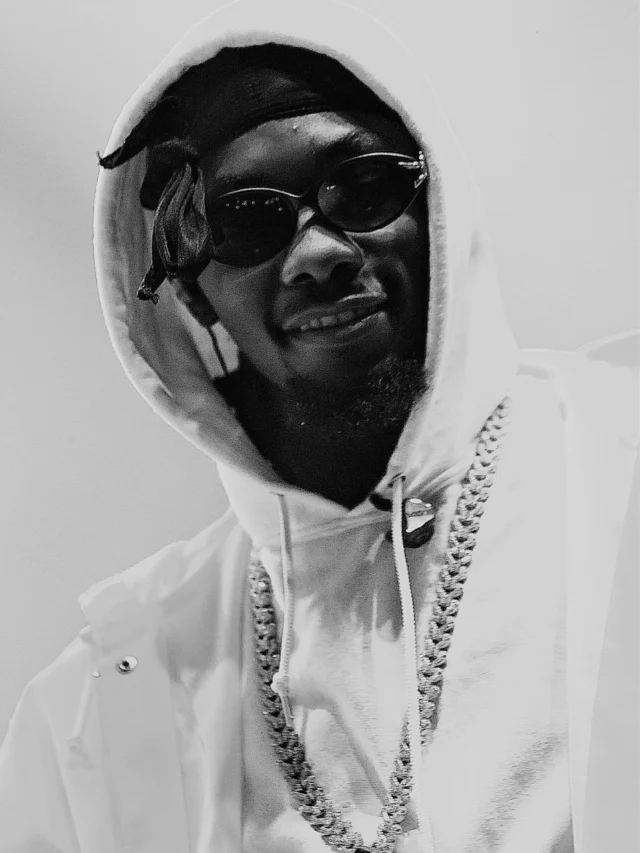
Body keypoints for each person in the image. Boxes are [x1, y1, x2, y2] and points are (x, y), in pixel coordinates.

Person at [1, 2, 637, 852]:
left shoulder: (617, 465)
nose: (318, 252)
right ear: (190, 294)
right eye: (247, 221)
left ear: (438, 206)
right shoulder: (98, 710)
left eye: (366, 188)